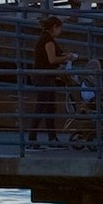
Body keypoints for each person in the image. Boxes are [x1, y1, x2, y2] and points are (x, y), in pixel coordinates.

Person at [27, 15, 71, 145]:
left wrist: (65, 56)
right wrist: (67, 58)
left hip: (45, 76)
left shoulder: (45, 38)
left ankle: (51, 137)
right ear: (54, 27)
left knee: (49, 107)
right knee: (42, 107)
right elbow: (52, 59)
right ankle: (32, 139)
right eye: (59, 29)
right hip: (44, 77)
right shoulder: (48, 40)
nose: (60, 32)